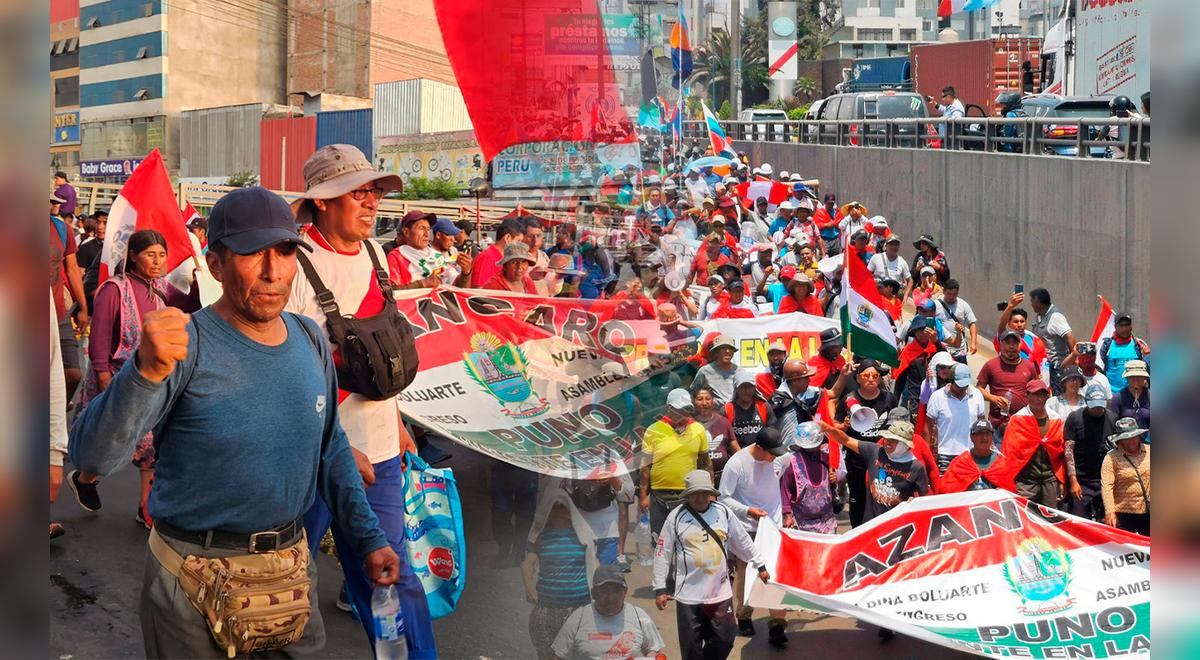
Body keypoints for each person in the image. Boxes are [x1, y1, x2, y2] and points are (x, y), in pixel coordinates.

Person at [69, 187, 402, 657]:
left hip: (290, 576)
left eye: (284, 252)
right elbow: (92, 457)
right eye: (253, 253)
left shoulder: (309, 337)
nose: (273, 272)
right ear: (216, 265)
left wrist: (369, 539)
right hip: (192, 581)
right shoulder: (185, 345)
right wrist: (142, 373)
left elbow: (330, 449)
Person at [284, 147, 436, 656]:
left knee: (389, 575)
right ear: (322, 202)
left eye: (374, 192)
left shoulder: (376, 255)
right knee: (283, 579)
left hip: (381, 455)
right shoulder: (291, 265)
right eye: (358, 193)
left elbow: (380, 355)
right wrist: (332, 445)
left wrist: (399, 424)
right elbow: (284, 371)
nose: (372, 203)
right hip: (310, 458)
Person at [68, 229, 199, 524]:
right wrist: (102, 375)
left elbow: (190, 306)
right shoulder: (114, 289)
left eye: (162, 255)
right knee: (110, 440)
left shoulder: (162, 288)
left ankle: (145, 508)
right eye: (150, 255)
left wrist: (197, 283)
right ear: (134, 257)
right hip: (116, 376)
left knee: (150, 446)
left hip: (151, 378)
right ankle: (85, 478)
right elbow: (100, 336)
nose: (157, 261)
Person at [653, 470, 771, 660]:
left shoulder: (723, 512)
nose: (700, 498)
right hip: (689, 596)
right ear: (688, 495)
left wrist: (760, 564)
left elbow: (742, 540)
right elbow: (662, 552)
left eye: (704, 493)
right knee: (691, 648)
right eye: (695, 493)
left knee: (725, 640)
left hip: (719, 594)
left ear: (710, 493)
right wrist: (659, 588)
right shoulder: (675, 517)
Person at [718, 428, 790, 647]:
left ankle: (777, 623)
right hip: (746, 528)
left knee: (775, 574)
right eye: (771, 453)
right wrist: (748, 510)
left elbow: (793, 460)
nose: (775, 458)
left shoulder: (778, 458)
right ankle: (744, 615)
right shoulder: (736, 464)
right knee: (745, 573)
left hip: (773, 527)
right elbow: (723, 497)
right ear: (759, 448)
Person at [523, 499, 595, 660]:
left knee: (579, 653)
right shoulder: (540, 536)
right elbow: (528, 564)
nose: (558, 512)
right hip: (548, 607)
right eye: (553, 508)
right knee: (548, 654)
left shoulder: (582, 534)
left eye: (562, 508)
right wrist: (530, 589)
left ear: (570, 511)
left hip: (579, 607)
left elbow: (593, 563)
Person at [821, 418, 930, 524]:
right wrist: (828, 429)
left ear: (905, 445)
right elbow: (846, 440)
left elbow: (926, 499)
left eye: (893, 440)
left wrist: (915, 502)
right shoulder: (875, 451)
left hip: (896, 526)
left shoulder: (916, 467)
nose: (887, 442)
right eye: (887, 438)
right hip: (871, 524)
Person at [639, 389, 713, 538]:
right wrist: (643, 495)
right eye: (679, 409)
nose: (683, 413)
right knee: (660, 540)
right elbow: (645, 466)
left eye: (686, 409)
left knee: (688, 539)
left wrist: (710, 492)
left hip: (689, 494)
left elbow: (705, 464)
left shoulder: (698, 429)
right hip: (659, 495)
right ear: (669, 408)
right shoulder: (653, 430)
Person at [551, 565, 666, 660]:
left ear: (625, 592)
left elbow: (654, 650)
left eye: (616, 590)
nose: (611, 598)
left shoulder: (640, 617)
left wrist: (651, 656)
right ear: (594, 593)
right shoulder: (578, 619)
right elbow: (559, 656)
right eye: (604, 591)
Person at [836, 360, 898, 527]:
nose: (871, 379)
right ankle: (857, 533)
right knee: (858, 501)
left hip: (882, 462)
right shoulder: (849, 399)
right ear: (858, 378)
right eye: (866, 375)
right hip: (856, 462)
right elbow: (835, 426)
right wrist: (844, 426)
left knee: (882, 498)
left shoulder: (889, 399)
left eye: (875, 376)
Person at [996, 379, 1066, 508]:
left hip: (1050, 481)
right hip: (1025, 482)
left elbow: (1059, 453)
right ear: (1027, 396)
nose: (1039, 399)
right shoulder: (1017, 420)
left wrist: (1061, 480)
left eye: (1042, 395)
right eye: (1035, 394)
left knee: (1050, 517)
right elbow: (1009, 454)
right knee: (1024, 515)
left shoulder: (1055, 419)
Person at [50, 193, 88, 403]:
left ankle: (58, 408)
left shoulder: (61, 229)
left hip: (58, 313)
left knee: (73, 374)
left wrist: (83, 307)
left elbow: (72, 269)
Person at [1063, 383, 1119, 521]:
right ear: (1087, 402)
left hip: (1104, 479)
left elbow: (1117, 450)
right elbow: (1068, 451)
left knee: (1106, 521)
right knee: (1078, 521)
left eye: (1101, 406)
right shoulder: (1074, 418)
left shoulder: (1112, 418)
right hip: (1081, 479)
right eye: (1094, 406)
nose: (1098, 409)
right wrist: (1073, 481)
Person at [977, 329, 1042, 444]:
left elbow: (1037, 391)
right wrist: (993, 398)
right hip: (997, 425)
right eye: (1007, 343)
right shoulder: (990, 365)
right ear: (1001, 344)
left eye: (1014, 343)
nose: (1011, 347)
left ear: (1020, 345)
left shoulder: (1030, 367)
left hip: (1022, 425)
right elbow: (978, 389)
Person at [780, 421, 844, 532]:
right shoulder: (792, 462)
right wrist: (787, 514)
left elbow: (840, 479)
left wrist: (835, 478)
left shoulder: (827, 458)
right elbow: (785, 490)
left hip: (827, 521)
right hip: (802, 523)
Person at [925, 363, 989, 474]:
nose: (962, 389)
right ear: (951, 381)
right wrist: (927, 456)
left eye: (965, 386)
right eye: (959, 386)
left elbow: (982, 425)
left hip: (971, 455)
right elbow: (927, 429)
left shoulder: (977, 395)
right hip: (945, 455)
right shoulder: (937, 397)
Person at [1100, 418, 1150, 535]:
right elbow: (1107, 486)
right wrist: (1109, 511)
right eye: (1126, 438)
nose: (1131, 441)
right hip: (1124, 513)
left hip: (1149, 510)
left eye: (1134, 437)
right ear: (1120, 440)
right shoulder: (1111, 458)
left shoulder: (1149, 451)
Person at [938, 420, 1012, 493]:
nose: (984, 438)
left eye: (987, 433)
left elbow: (1010, 491)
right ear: (972, 437)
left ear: (992, 437)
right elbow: (947, 491)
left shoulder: (1001, 462)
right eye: (980, 434)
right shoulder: (960, 463)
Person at [1026, 288, 1077, 394]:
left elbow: (1070, 337)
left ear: (1038, 301)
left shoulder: (1055, 317)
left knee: (1059, 397)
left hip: (1057, 368)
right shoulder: (1040, 317)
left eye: (1032, 301)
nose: (1031, 304)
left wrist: (1073, 358)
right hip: (1045, 367)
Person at [387, 210, 452, 289]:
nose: (426, 234)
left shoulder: (436, 255)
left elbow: (455, 282)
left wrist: (464, 274)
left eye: (428, 229)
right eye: (421, 228)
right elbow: (391, 291)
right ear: (406, 232)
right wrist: (422, 284)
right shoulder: (397, 256)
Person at [769, 359, 825, 445]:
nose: (809, 381)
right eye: (806, 378)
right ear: (795, 381)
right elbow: (789, 439)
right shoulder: (780, 402)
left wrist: (843, 375)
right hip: (788, 449)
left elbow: (831, 394)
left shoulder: (804, 391)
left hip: (802, 445)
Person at [693, 387, 739, 485]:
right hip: (700, 478)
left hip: (723, 476)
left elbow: (736, 449)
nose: (704, 403)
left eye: (708, 399)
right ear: (694, 402)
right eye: (700, 399)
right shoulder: (690, 425)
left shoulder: (724, 422)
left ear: (713, 401)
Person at [1097, 311, 1150, 392]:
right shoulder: (1107, 345)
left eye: (1127, 325)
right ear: (1115, 327)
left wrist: (1147, 357)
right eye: (1121, 325)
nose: (1124, 328)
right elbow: (1099, 369)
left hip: (1133, 395)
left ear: (1131, 326)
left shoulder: (1139, 345)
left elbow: (1146, 372)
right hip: (1112, 394)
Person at [724, 372, 776, 453]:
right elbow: (725, 438)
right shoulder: (727, 409)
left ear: (755, 387)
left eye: (750, 386)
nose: (746, 391)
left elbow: (772, 433)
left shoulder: (763, 406)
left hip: (761, 455)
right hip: (736, 456)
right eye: (742, 387)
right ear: (736, 388)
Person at [471, 218, 526, 287]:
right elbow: (479, 289)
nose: (520, 245)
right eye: (518, 241)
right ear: (507, 238)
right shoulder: (488, 258)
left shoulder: (501, 258)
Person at [935, 279, 977, 362]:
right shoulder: (936, 305)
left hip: (959, 351)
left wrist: (973, 343)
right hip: (942, 349)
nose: (951, 297)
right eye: (949, 294)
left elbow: (972, 323)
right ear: (943, 291)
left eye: (954, 294)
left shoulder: (963, 305)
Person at [691, 334, 740, 405]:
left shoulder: (739, 371)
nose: (727, 351)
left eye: (730, 348)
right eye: (723, 348)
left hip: (736, 410)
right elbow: (693, 393)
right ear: (716, 352)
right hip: (714, 411)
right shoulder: (705, 371)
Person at [1110, 360, 1150, 431]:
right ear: (1127, 378)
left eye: (1139, 376)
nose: (1136, 379)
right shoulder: (1118, 398)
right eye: (1132, 376)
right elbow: (1112, 424)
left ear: (1144, 378)